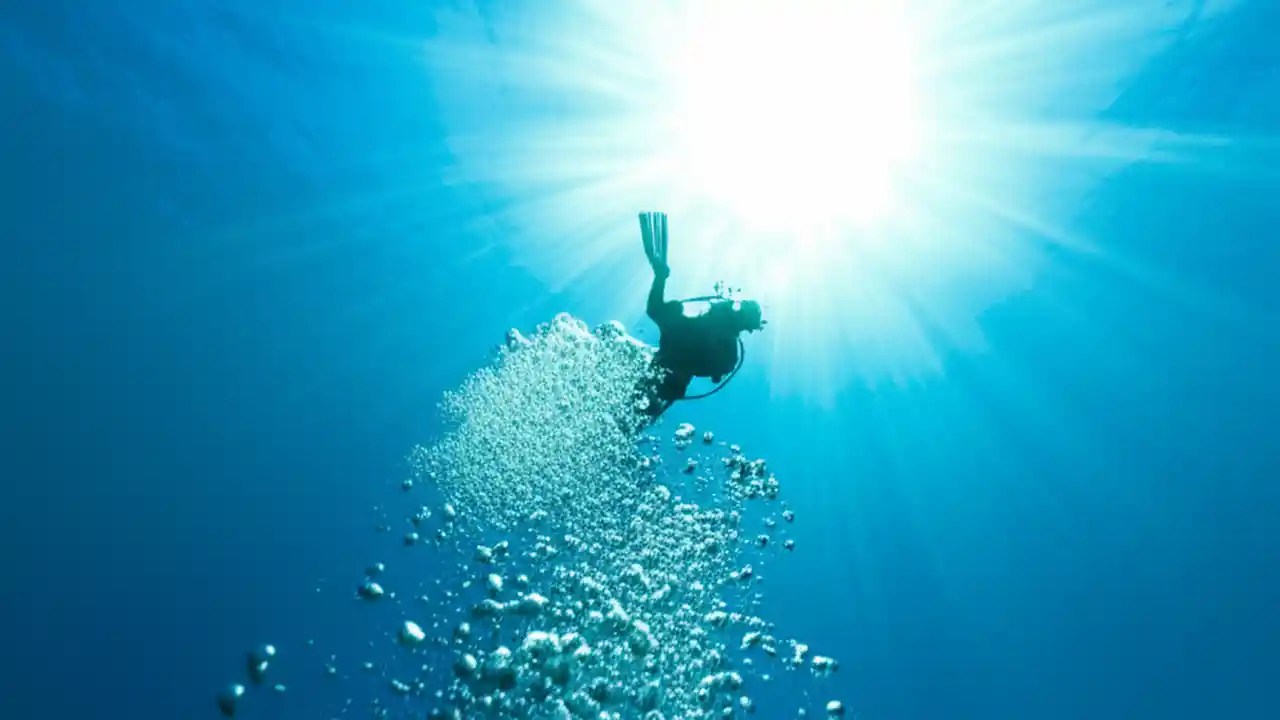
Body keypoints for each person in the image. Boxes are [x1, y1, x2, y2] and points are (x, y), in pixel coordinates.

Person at [638, 211, 765, 418]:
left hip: (664, 382)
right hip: (665, 382)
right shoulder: (719, 349)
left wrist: (660, 277)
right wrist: (660, 277)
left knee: (644, 400)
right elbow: (656, 311)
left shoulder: (686, 328)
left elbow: (655, 310)